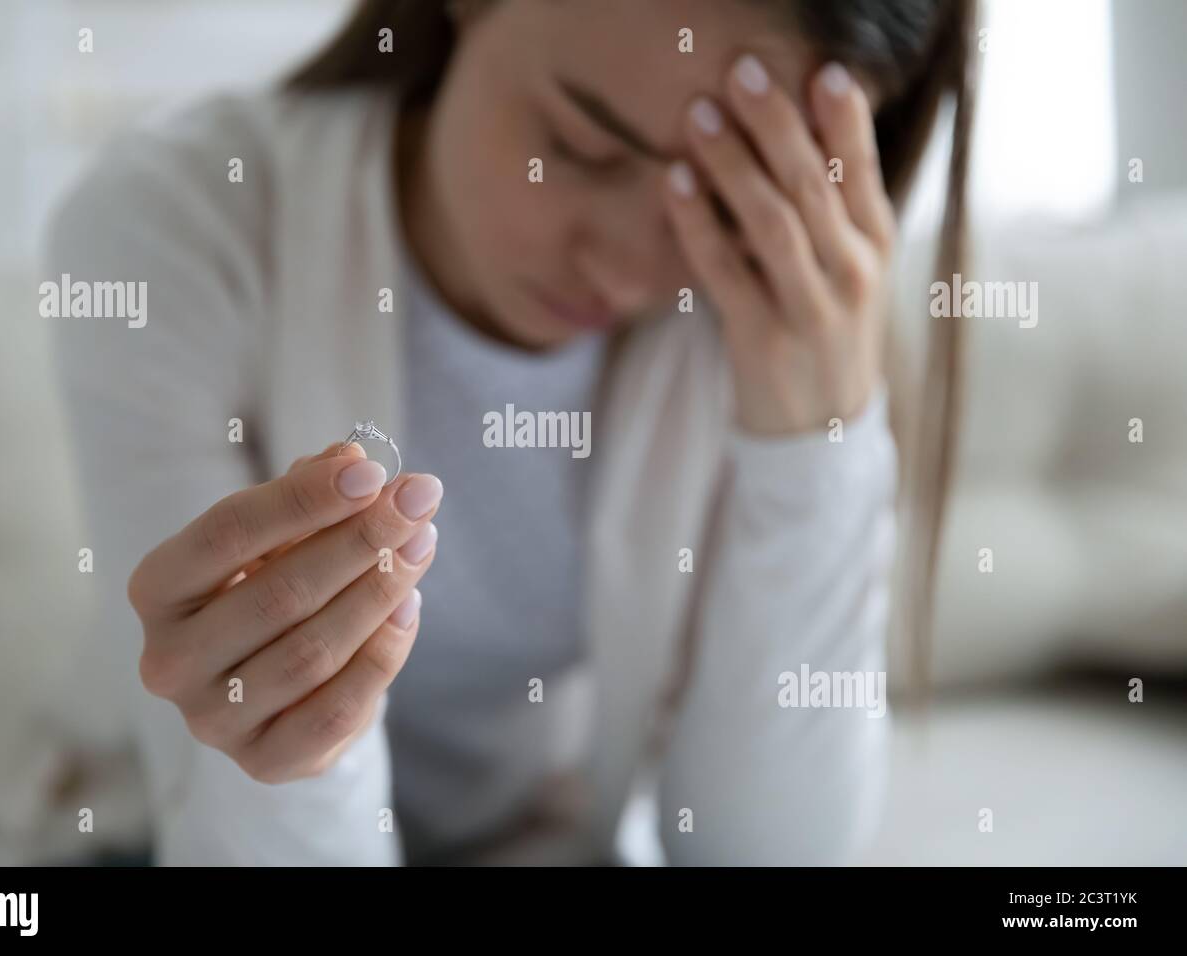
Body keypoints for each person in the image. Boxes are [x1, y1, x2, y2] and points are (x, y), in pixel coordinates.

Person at [47, 0, 977, 865]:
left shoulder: (753, 304)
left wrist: (814, 449)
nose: (627, 267)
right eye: (581, 145)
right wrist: (298, 730)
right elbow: (240, 825)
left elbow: (768, 854)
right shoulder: (170, 227)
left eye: (732, 199)